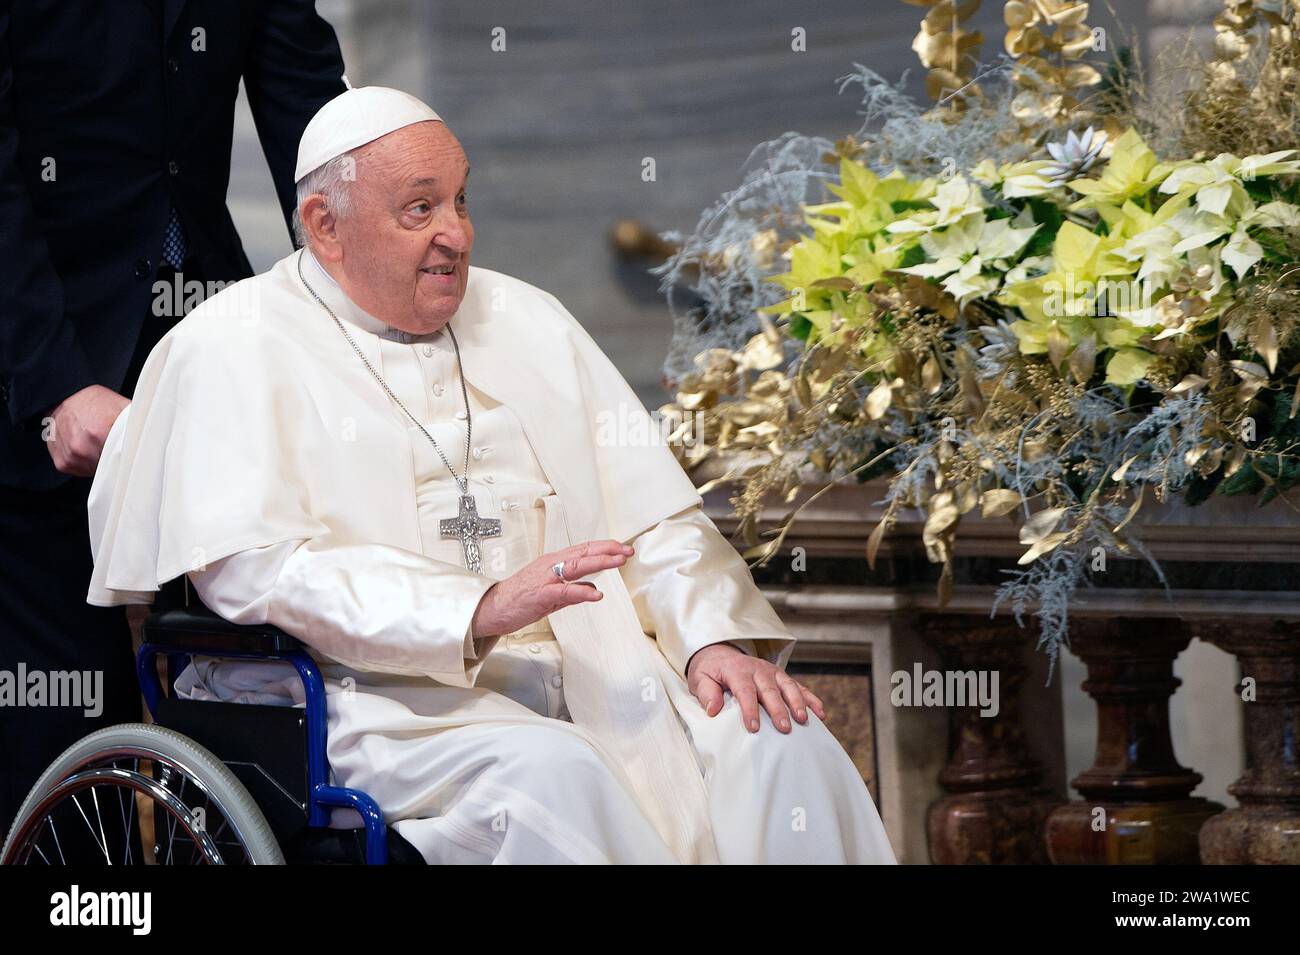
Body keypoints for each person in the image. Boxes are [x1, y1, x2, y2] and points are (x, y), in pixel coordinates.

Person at [86, 86, 898, 864]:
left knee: (773, 737)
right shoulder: (231, 346)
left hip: (592, 661)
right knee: (558, 777)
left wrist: (707, 636)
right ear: (324, 226)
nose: (458, 235)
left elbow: (651, 517)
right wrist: (475, 608)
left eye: (461, 200)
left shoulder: (528, 317)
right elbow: (258, 568)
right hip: (374, 703)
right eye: (420, 208)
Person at [0, 0, 346, 837]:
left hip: (207, 329)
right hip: (41, 352)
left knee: (251, 698)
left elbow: (316, 121)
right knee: (67, 728)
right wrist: (54, 384)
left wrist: (370, 294)